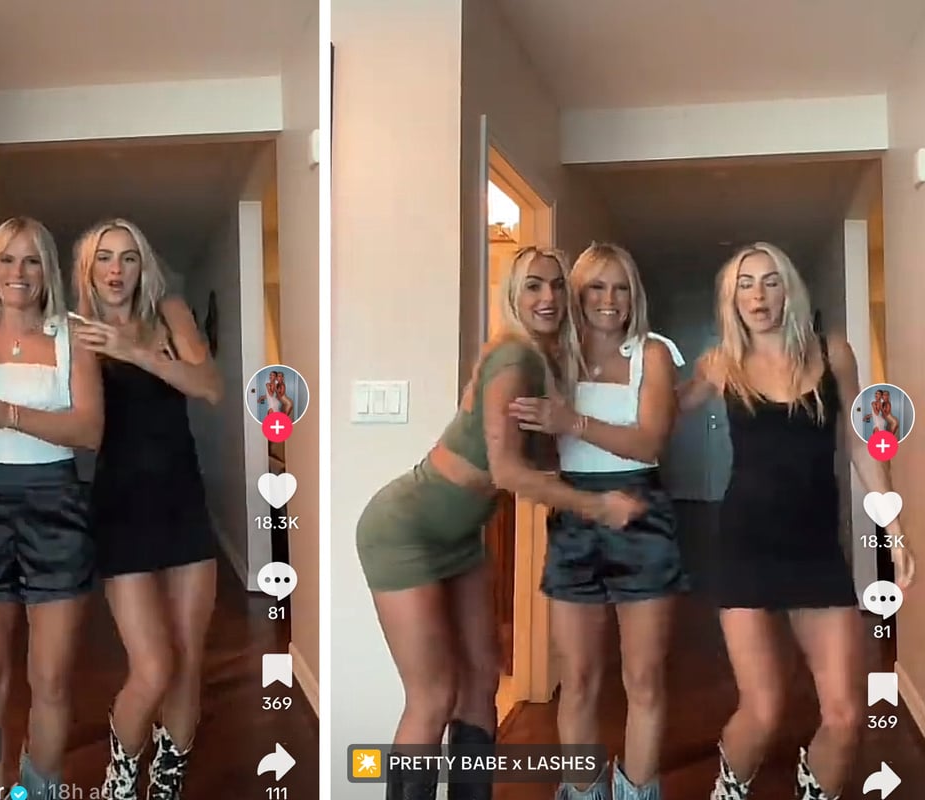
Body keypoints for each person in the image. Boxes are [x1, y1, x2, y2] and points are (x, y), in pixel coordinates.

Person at [355, 247, 647, 800]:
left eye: (557, 286)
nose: (548, 297)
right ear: (513, 295)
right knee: (433, 696)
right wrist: (598, 507)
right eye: (533, 286)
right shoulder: (513, 358)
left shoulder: (543, 362)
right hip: (404, 531)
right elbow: (509, 472)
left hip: (462, 537)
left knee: (483, 681)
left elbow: (544, 458)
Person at [679, 242, 916, 800]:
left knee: (846, 716)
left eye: (770, 281)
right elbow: (658, 416)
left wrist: (892, 526)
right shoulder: (720, 363)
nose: (758, 295)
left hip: (815, 550)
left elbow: (860, 440)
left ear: (790, 290)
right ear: (731, 299)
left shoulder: (833, 354)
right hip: (746, 547)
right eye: (745, 284)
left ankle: (814, 789)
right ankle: (730, 786)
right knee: (762, 711)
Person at [510, 243, 687, 800]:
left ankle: (638, 791)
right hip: (573, 519)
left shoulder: (652, 352)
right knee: (579, 680)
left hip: (643, 518)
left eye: (621, 288)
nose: (609, 300)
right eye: (596, 287)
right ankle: (583, 791)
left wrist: (573, 421)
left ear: (634, 295)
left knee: (644, 679)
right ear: (576, 294)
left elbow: (650, 441)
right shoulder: (551, 356)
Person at [0, 217, 104, 797]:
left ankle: (37, 789)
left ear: (47, 270)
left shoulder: (72, 334)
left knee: (51, 680)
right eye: (6, 259)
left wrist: (2, 413)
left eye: (32, 260)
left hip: (56, 507)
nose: (19, 272)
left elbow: (89, 430)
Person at [69, 219, 222, 800]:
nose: (116, 269)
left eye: (128, 258)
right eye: (105, 258)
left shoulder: (169, 313)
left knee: (187, 661)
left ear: (143, 267)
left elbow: (209, 385)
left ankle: (167, 782)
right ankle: (120, 778)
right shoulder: (76, 332)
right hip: (121, 507)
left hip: (182, 501)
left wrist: (138, 353)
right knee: (154, 666)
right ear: (88, 270)